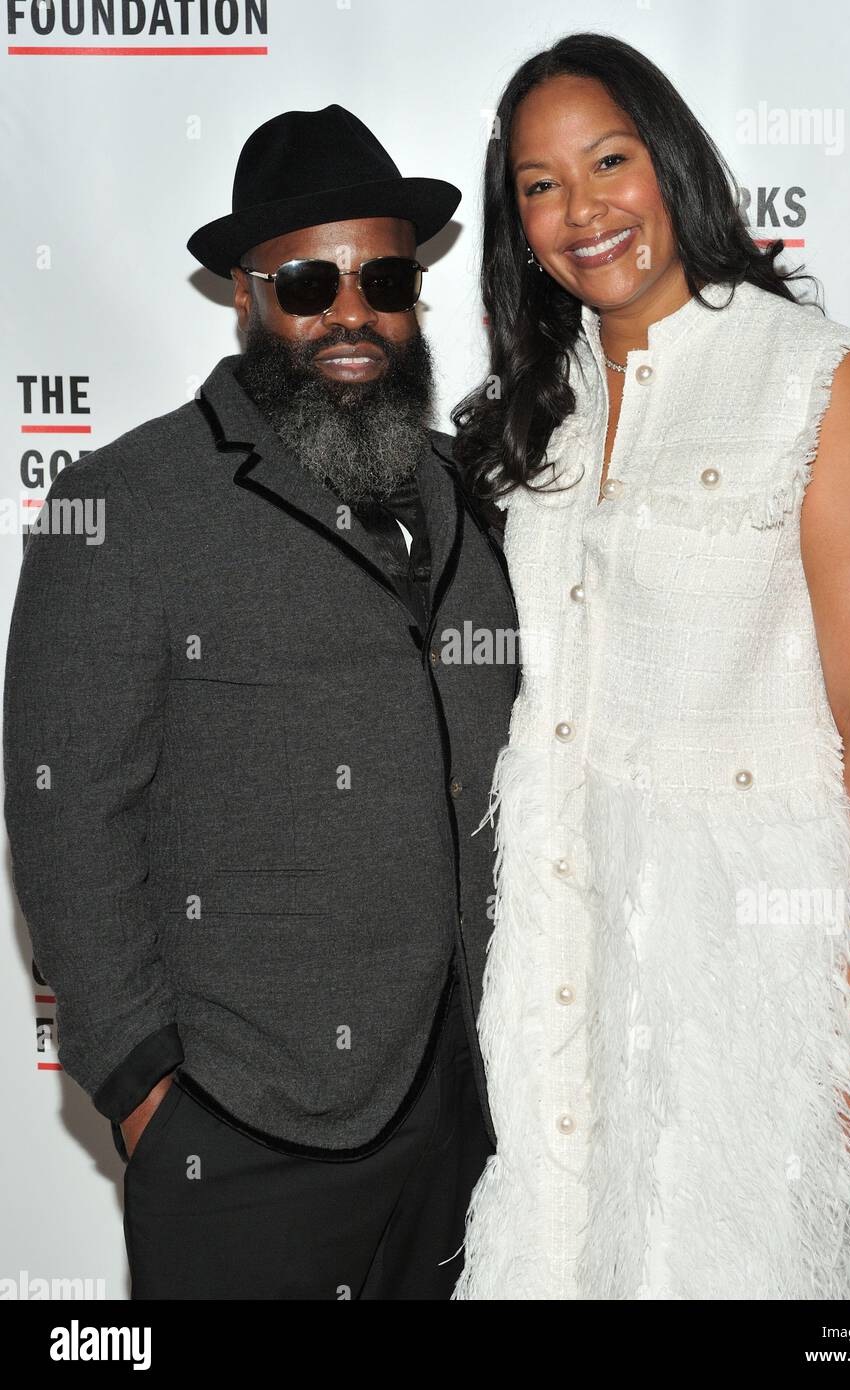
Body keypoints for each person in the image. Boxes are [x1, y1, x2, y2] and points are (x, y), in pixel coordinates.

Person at [451, 33, 850, 1300]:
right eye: (540, 186)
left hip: (746, 975)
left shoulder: (816, 381)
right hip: (563, 952)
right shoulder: (537, 405)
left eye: (609, 161)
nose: (584, 210)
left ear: (670, 163)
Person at [3, 103, 519, 1300]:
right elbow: (67, 812)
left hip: (465, 1112)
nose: (351, 314)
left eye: (382, 277)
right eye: (307, 283)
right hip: (244, 1131)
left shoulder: (467, 494)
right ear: (247, 295)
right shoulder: (127, 505)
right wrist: (144, 1091)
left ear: (415, 296)